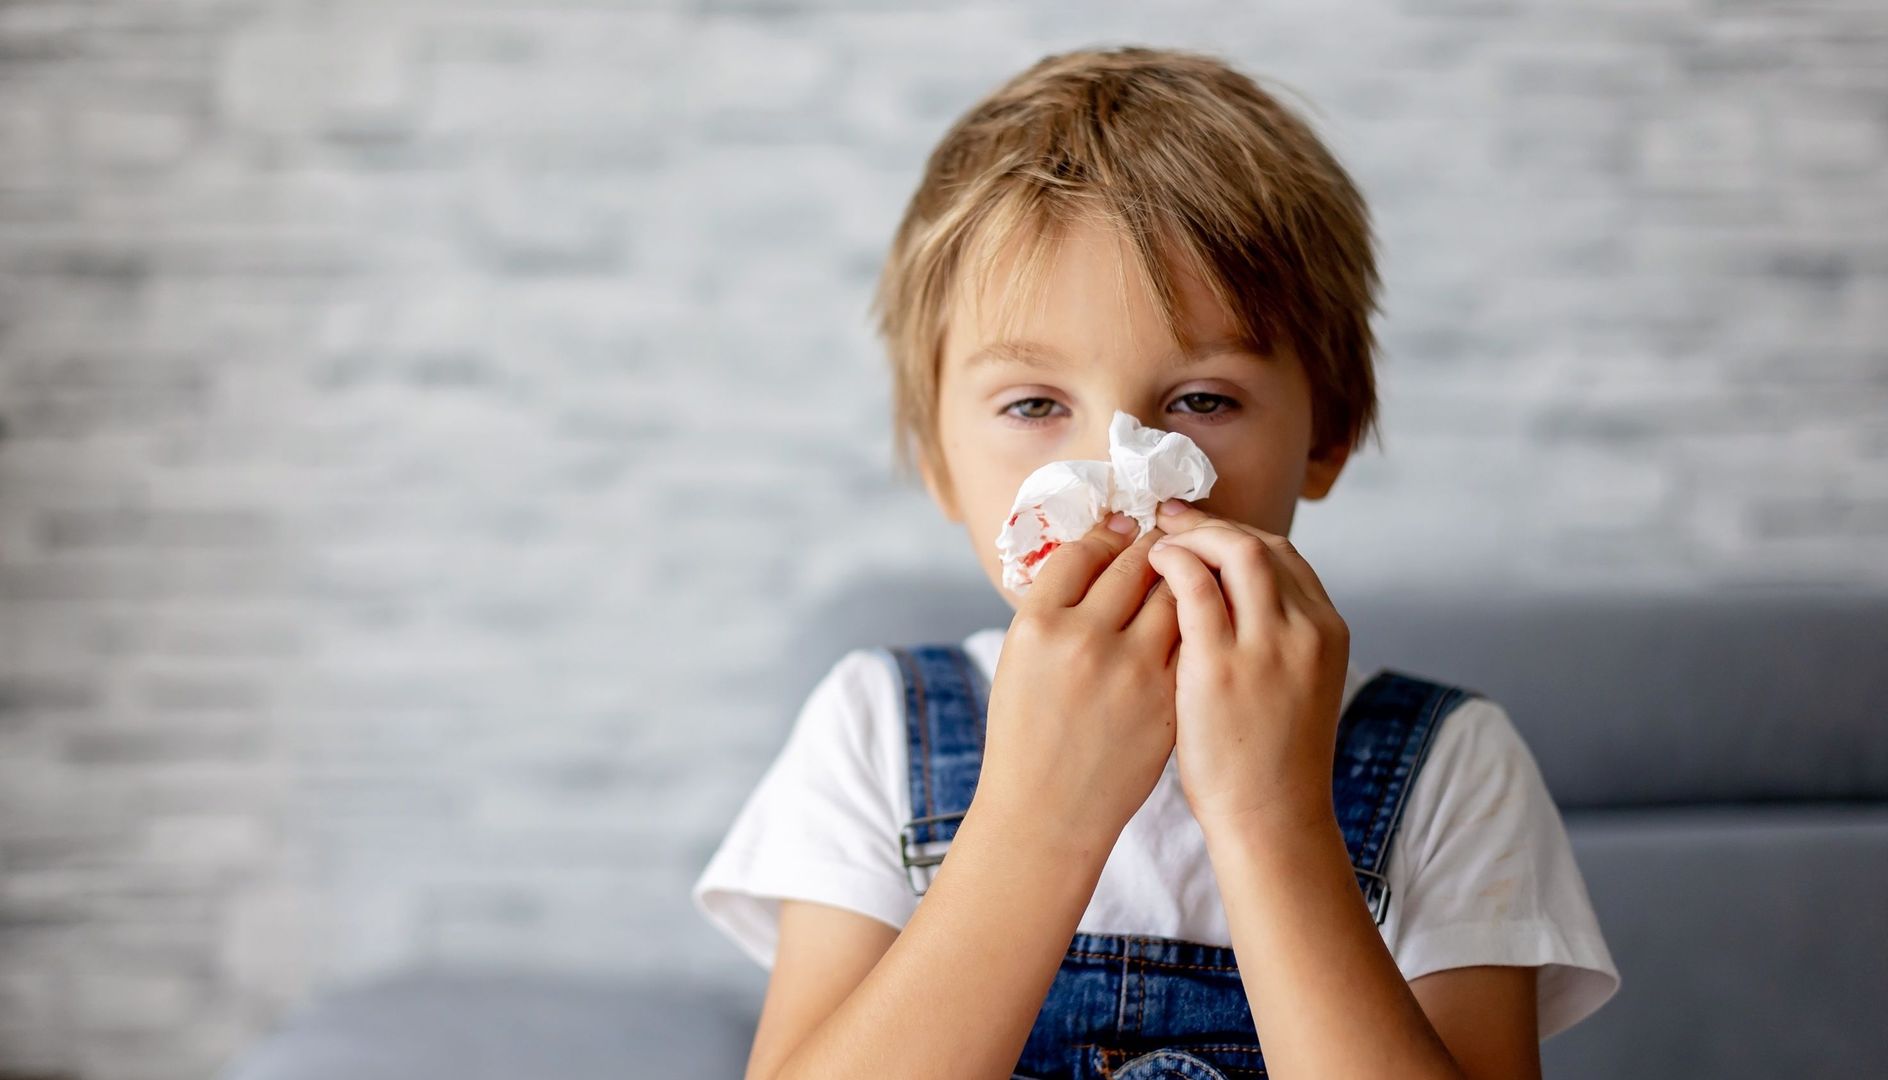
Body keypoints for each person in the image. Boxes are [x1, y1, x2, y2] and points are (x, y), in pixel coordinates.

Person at [691, 45, 1619, 1080]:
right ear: (939, 465)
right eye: (1036, 405)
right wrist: (1041, 816)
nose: (1118, 475)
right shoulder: (871, 733)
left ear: (1327, 436)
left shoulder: (1452, 769)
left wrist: (1273, 822)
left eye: (1202, 402)